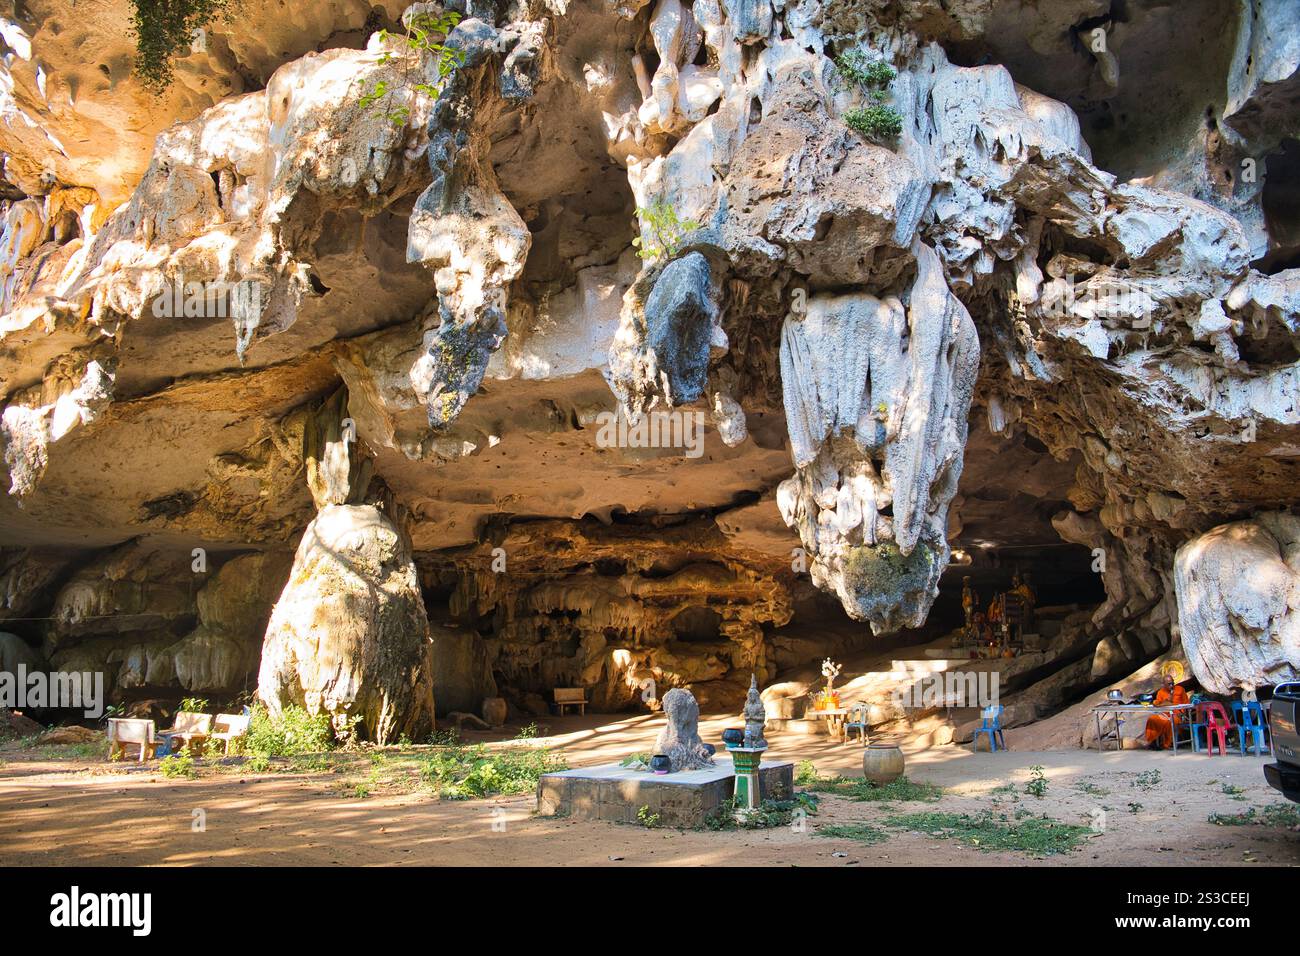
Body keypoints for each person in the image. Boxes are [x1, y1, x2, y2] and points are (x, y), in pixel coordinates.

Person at [1143, 673, 1190, 749]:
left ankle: (1168, 743)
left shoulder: (1180, 689)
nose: (1171, 685)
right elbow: (1157, 702)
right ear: (1164, 684)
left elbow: (1186, 703)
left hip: (1177, 715)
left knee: (1170, 721)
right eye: (1169, 684)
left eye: (1172, 683)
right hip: (1164, 714)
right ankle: (1152, 741)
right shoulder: (1161, 692)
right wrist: (1161, 703)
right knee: (1152, 719)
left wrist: (1183, 715)